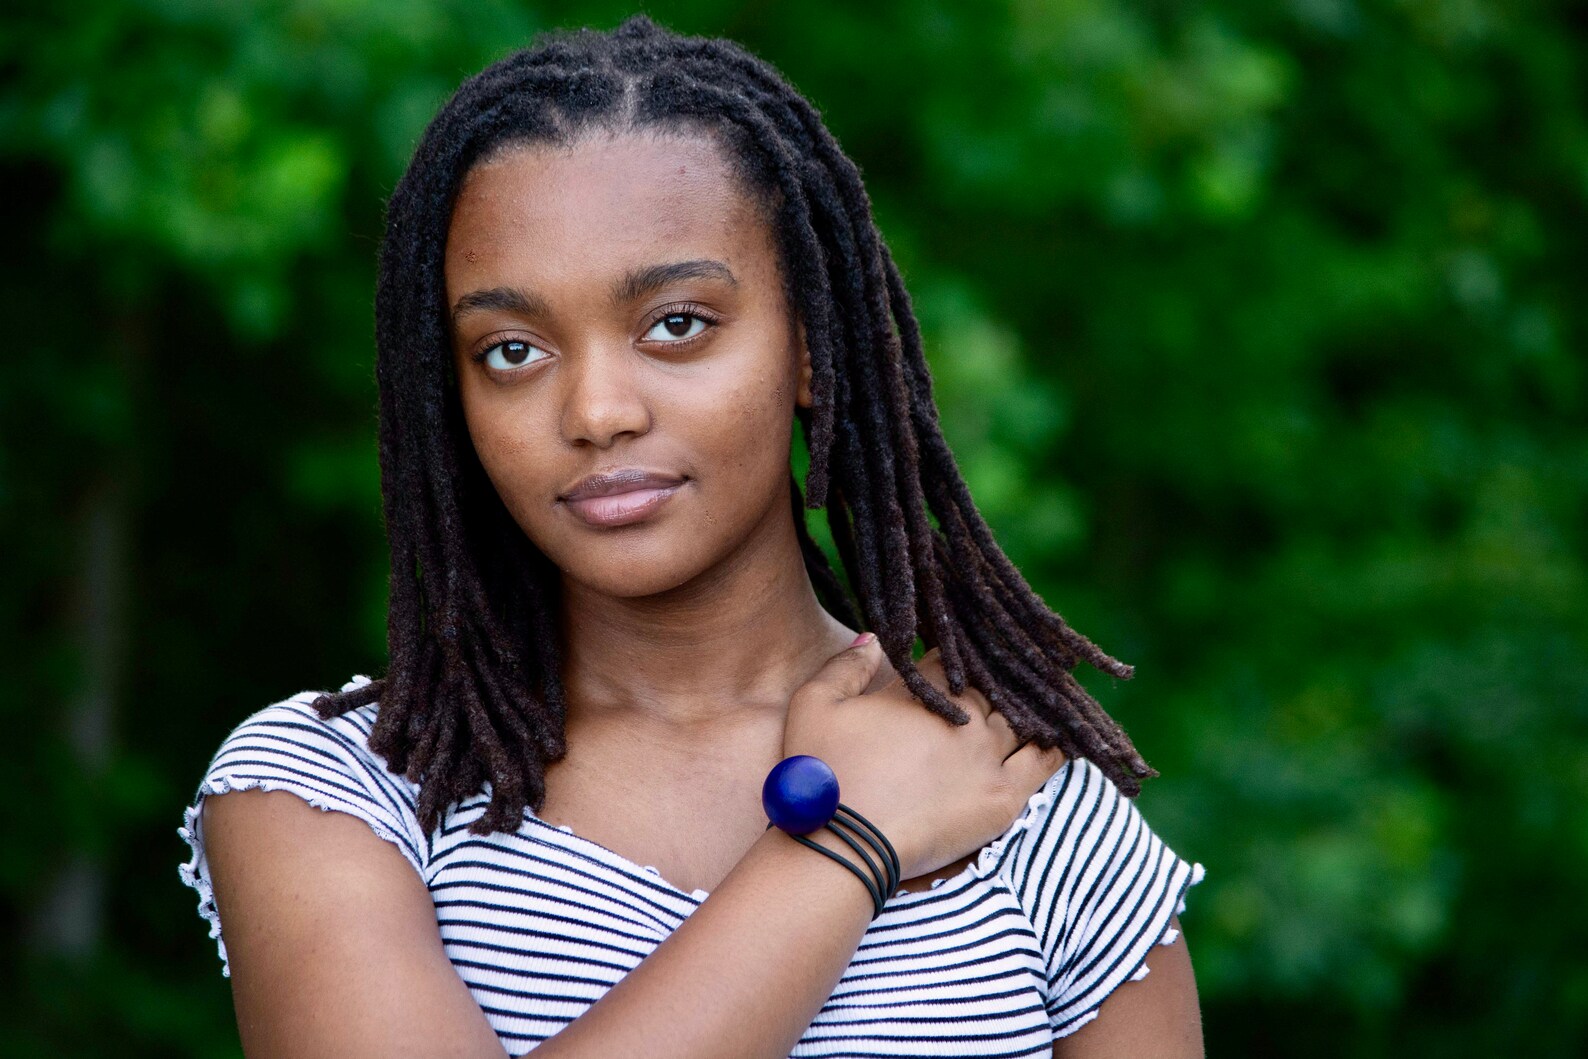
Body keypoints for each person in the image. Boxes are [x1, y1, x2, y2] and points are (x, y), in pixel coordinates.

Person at [177, 15, 1204, 1058]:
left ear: (810, 348)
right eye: (513, 349)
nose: (596, 411)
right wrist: (844, 848)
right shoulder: (339, 787)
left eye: (676, 324)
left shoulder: (1012, 791)